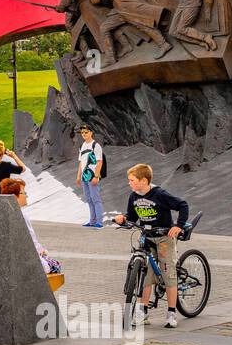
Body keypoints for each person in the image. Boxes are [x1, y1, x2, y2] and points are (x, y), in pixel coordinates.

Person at [113, 163, 189, 329]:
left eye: (132, 180)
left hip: (163, 238)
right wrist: (123, 219)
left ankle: (171, 313)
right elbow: (132, 217)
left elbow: (182, 205)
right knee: (145, 276)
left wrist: (179, 225)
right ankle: (143, 313)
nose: (129, 183)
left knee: (168, 273)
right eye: (129, 180)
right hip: (146, 237)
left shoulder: (159, 194)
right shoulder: (133, 196)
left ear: (144, 180)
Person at [0, 177, 61, 275]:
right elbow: (31, 242)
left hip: (13, 260)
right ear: (15, 196)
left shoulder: (4, 213)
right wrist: (43, 252)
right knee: (56, 266)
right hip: (27, 262)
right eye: (24, 193)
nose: (26, 196)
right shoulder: (20, 216)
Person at [76, 125, 105, 228]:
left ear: (91, 132)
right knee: (88, 199)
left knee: (95, 198)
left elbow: (99, 162)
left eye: (86, 132)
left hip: (92, 176)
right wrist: (78, 176)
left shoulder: (95, 145)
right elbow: (81, 163)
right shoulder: (82, 146)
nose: (84, 134)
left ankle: (99, 222)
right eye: (82, 133)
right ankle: (92, 221)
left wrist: (96, 176)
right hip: (84, 176)